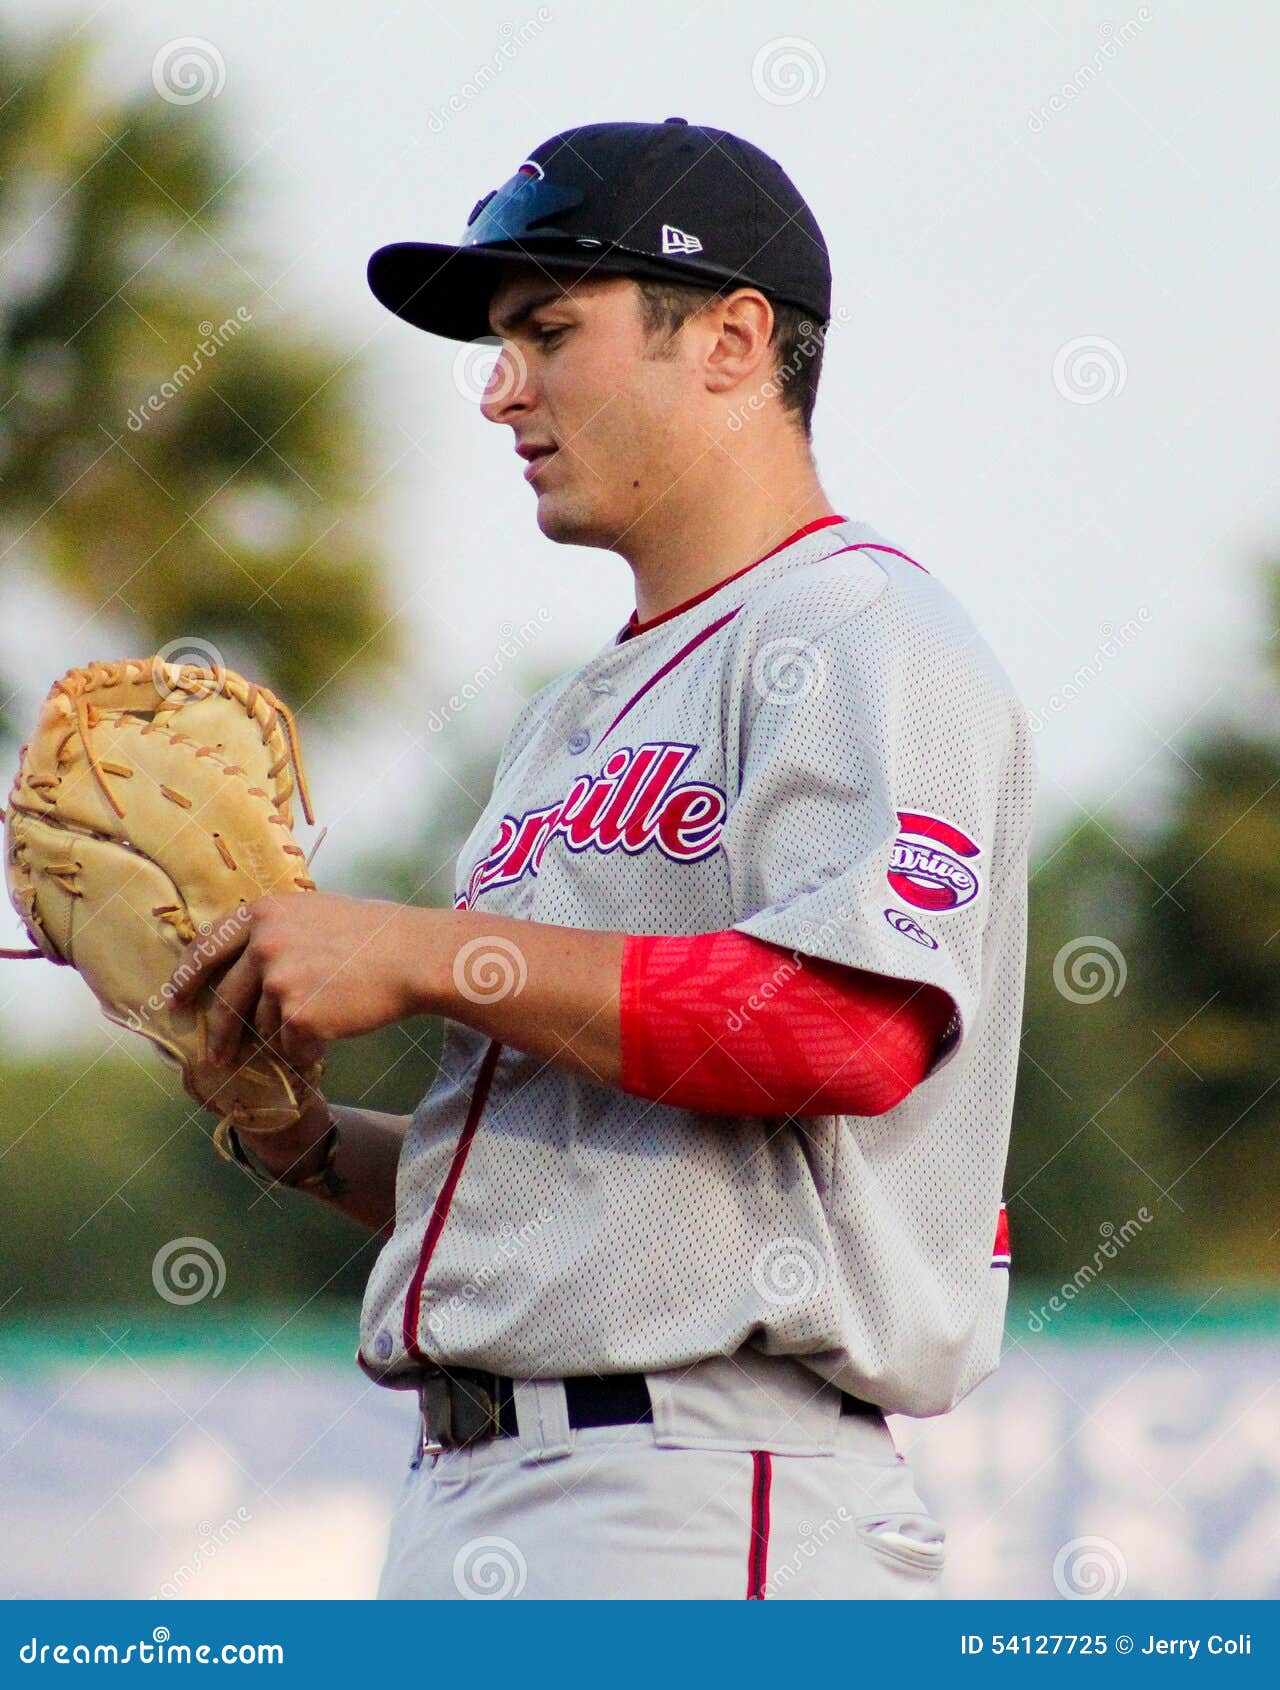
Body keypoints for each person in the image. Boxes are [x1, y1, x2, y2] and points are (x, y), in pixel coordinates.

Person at [167, 118, 1034, 1600]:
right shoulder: (571, 715)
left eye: (548, 332)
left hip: (706, 1490)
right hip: (488, 1483)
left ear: (734, 338)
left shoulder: (859, 633)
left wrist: (421, 951)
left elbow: (851, 1026)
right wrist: (296, 1131)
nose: (500, 390)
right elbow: (588, 1200)